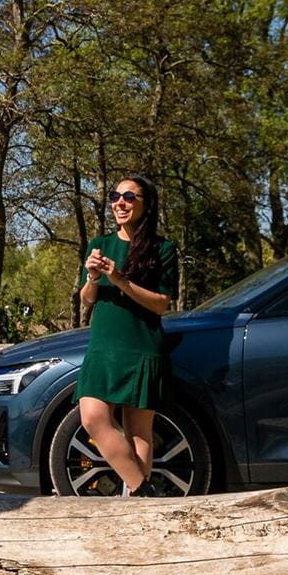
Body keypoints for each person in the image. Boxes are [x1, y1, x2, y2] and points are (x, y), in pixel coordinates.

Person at [72, 175, 177, 495]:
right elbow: (86, 299)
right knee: (92, 417)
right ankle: (144, 490)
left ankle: (137, 506)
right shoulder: (99, 244)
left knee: (139, 433)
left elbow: (161, 305)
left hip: (141, 346)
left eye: (130, 197)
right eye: (116, 196)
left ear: (147, 204)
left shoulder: (163, 249)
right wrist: (92, 277)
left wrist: (118, 278)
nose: (120, 202)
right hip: (103, 347)